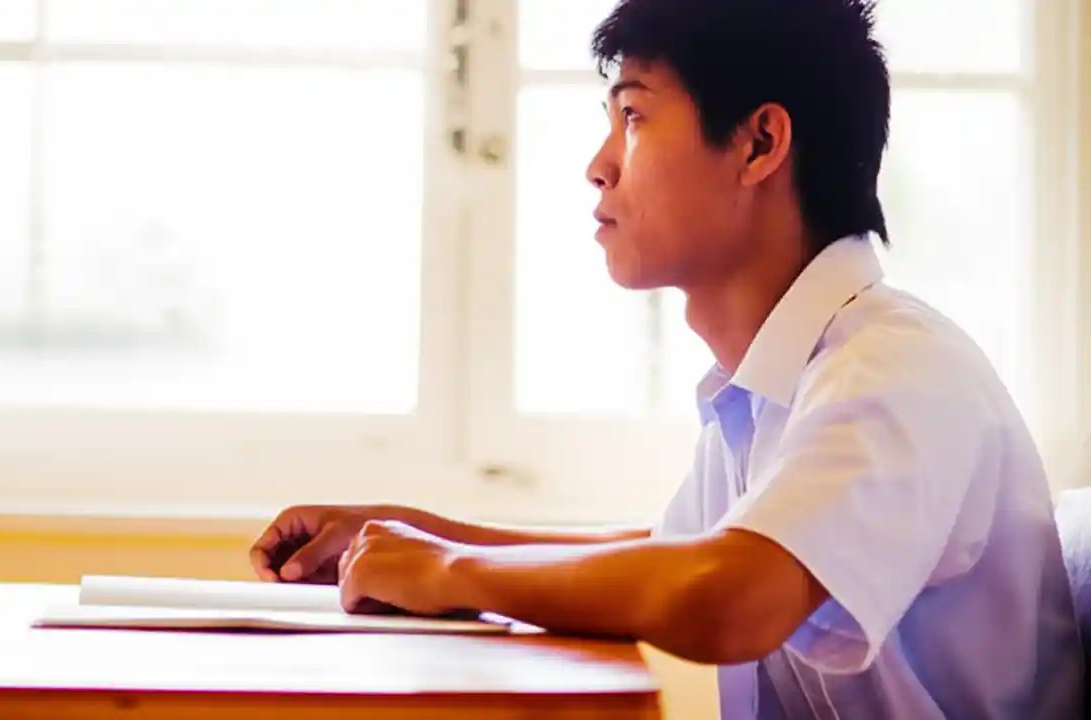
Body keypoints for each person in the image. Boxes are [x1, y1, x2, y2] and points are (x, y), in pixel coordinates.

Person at [249, 0, 1085, 716]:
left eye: (634, 116)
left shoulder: (895, 367)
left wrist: (449, 570)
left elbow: (727, 590)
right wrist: (403, 535)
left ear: (759, 142)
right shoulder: (779, 386)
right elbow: (674, 556)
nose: (598, 165)